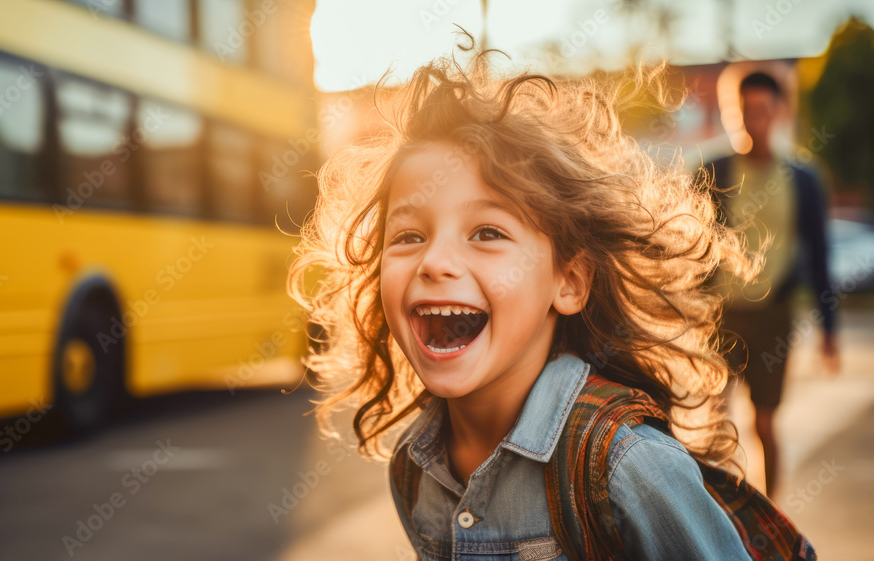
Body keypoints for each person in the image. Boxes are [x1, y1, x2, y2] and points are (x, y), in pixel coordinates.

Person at [288, 42, 812, 560]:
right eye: (407, 236)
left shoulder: (627, 466)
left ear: (570, 282)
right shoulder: (412, 465)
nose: (434, 262)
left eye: (487, 231)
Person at [707, 71, 841, 498]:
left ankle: (772, 516)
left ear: (779, 112)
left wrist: (830, 331)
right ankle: (718, 516)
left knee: (764, 423)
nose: (754, 121)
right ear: (734, 113)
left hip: (774, 317)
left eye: (763, 111)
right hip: (719, 317)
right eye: (745, 111)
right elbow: (691, 248)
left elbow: (820, 257)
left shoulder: (804, 180)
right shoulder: (713, 171)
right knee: (713, 424)